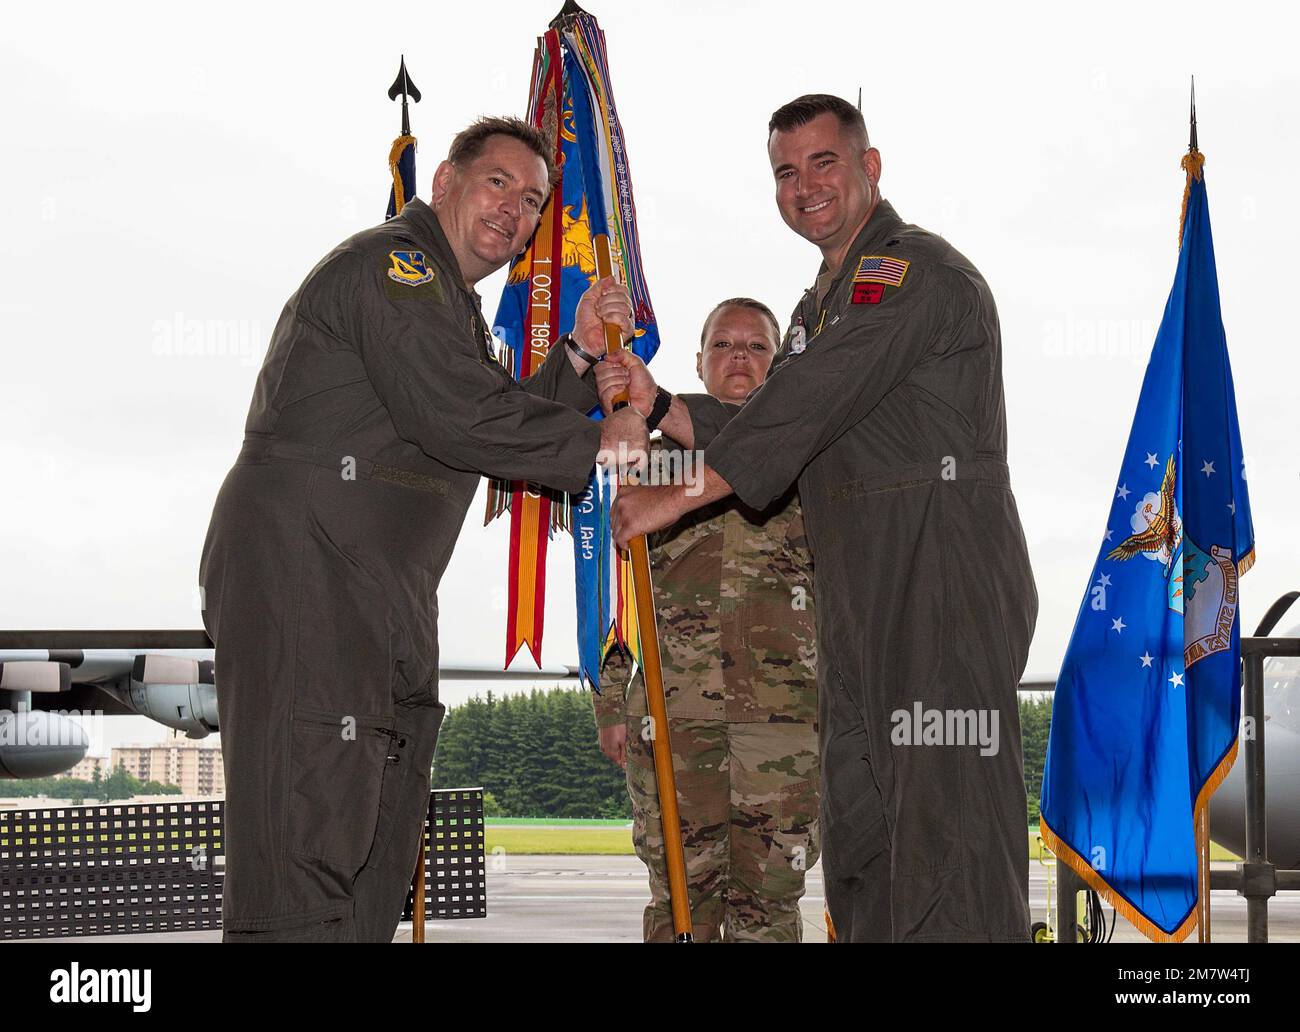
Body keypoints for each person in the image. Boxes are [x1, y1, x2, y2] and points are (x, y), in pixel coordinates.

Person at [200, 116, 647, 942]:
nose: (516, 208)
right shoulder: (392, 268)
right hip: (312, 582)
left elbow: (483, 412)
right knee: (307, 843)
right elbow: (460, 416)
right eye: (498, 183)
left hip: (378, 593)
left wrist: (581, 358)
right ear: (443, 182)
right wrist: (603, 441)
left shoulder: (451, 308)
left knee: (374, 838)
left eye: (535, 200)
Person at [609, 95, 1038, 942]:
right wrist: (656, 402)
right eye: (785, 170)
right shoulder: (817, 312)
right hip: (858, 609)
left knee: (944, 845)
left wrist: (671, 494)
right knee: (862, 846)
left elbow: (798, 407)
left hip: (937, 592)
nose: (804, 185)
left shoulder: (911, 274)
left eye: (823, 162)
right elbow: (772, 421)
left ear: (870, 167)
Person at [592, 298, 819, 942]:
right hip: (672, 716)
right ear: (698, 362)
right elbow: (615, 593)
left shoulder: (813, 461)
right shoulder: (648, 463)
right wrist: (612, 700)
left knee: (769, 904)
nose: (739, 357)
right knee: (678, 900)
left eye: (757, 347)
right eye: (723, 346)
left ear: (780, 369)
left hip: (783, 725)